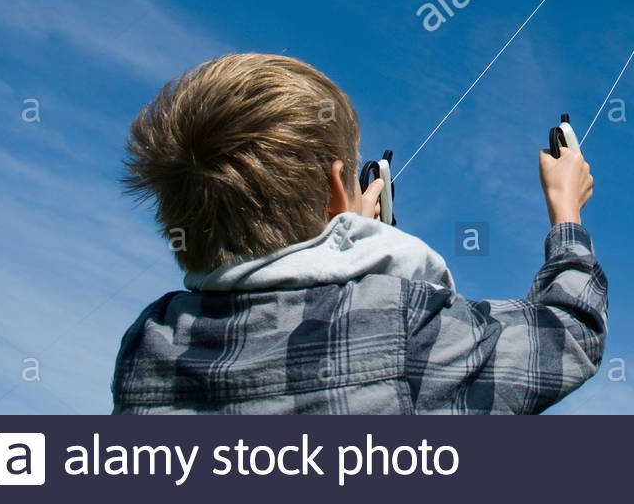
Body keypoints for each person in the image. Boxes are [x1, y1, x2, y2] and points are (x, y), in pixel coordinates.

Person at [111, 53, 607, 414]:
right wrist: (566, 211)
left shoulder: (149, 346)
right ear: (334, 192)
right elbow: (569, 336)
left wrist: (352, 234)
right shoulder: (404, 322)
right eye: (350, 177)